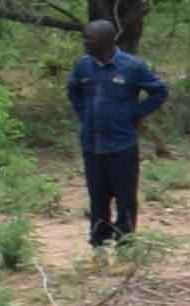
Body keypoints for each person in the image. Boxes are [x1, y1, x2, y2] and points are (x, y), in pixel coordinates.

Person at [64, 20, 171, 250]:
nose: (85, 42)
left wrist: (135, 113)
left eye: (89, 38)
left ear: (106, 40)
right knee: (98, 199)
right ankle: (99, 245)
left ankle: (126, 245)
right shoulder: (83, 66)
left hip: (122, 146)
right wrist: (84, 114)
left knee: (125, 200)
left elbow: (159, 91)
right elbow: (73, 90)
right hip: (92, 146)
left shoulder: (132, 67)